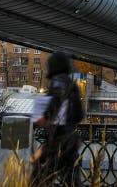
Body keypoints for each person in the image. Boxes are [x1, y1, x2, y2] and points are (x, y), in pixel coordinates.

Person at [32, 51, 83, 186]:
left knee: (38, 180)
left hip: (56, 142)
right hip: (71, 142)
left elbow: (54, 106)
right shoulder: (74, 85)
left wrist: (44, 117)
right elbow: (79, 115)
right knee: (72, 182)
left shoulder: (56, 83)